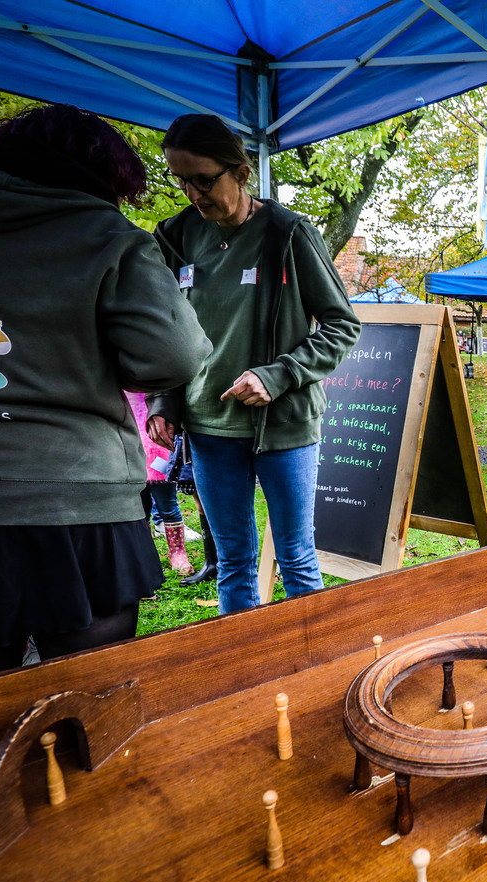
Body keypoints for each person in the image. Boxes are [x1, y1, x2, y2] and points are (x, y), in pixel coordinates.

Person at [0, 104, 210, 690]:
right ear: (98, 180)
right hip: (74, 499)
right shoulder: (102, 234)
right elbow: (173, 356)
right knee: (90, 702)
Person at [148, 114, 361, 614]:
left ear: (241, 173)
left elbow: (341, 325)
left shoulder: (288, 234)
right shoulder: (174, 237)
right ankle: (246, 676)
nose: (192, 193)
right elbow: (165, 334)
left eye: (204, 179)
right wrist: (165, 400)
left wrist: (277, 374)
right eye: (180, 179)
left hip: (284, 426)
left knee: (295, 559)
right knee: (234, 562)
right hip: (208, 427)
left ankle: (312, 672)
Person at [126, 391, 192, 576]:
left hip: (159, 448)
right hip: (132, 448)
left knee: (168, 505)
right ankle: (145, 555)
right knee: (140, 509)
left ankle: (178, 553)